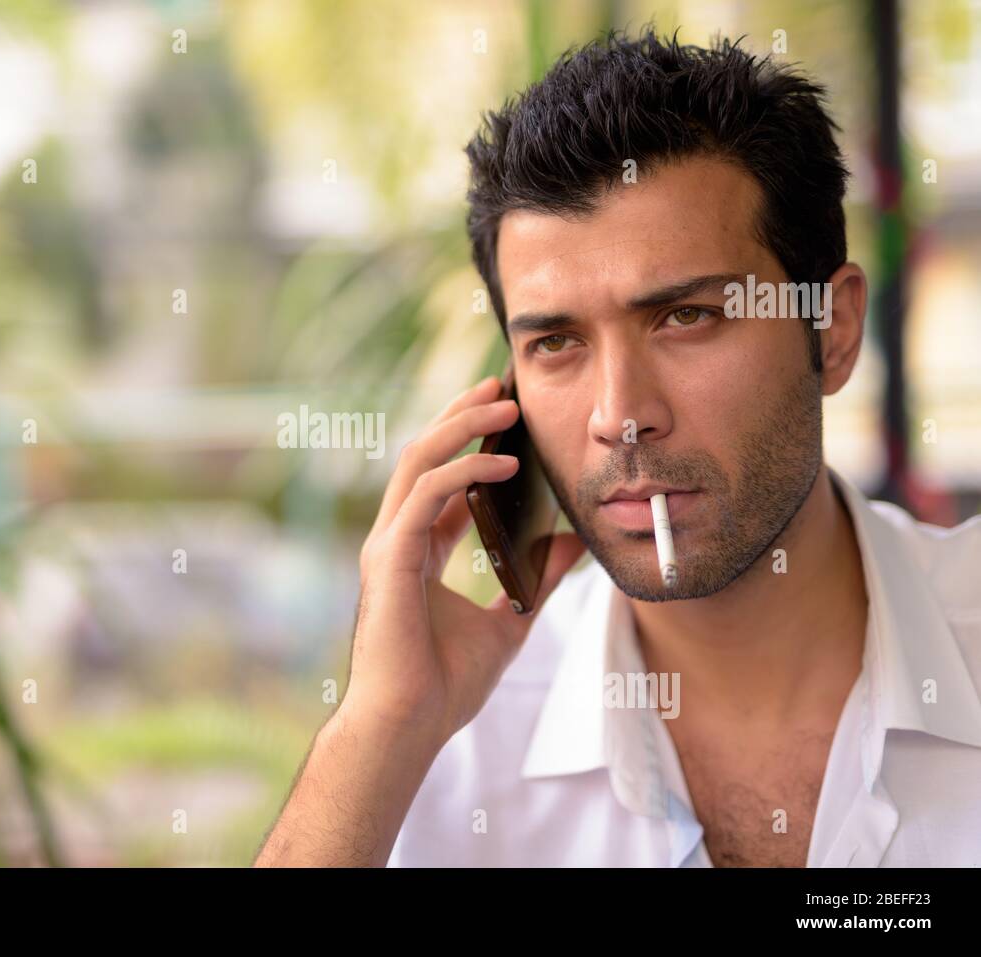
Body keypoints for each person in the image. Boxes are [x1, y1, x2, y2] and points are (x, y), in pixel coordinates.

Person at [253, 28, 981, 867]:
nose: (620, 415)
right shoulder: (447, 745)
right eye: (557, 343)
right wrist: (377, 732)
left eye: (687, 317)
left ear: (837, 329)